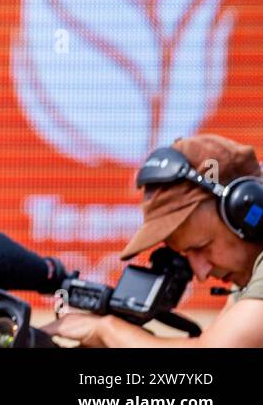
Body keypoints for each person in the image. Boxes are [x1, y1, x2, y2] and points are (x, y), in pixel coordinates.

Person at [42, 134, 263, 348]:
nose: (202, 273)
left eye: (202, 247)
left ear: (249, 209)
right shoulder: (247, 273)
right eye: (187, 254)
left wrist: (106, 330)